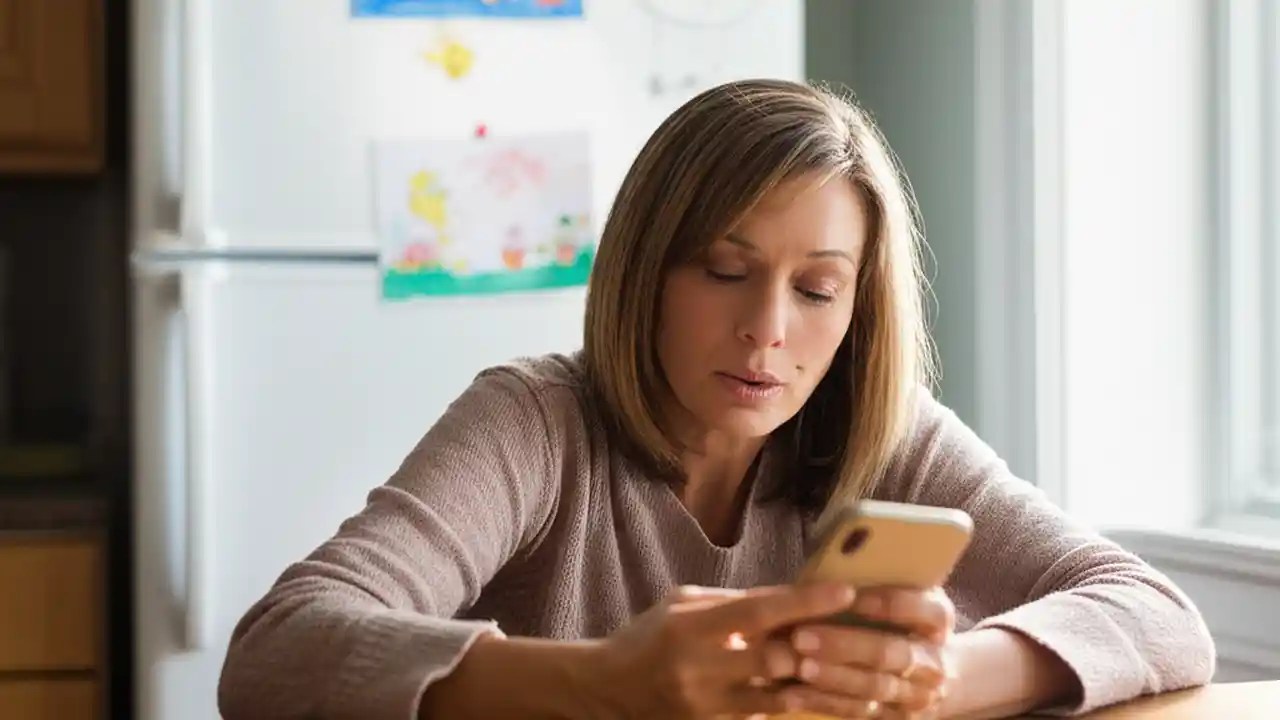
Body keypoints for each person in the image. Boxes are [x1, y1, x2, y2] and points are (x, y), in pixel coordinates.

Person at [217, 79, 1215, 720]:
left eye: (817, 290)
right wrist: (608, 684)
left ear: (856, 309)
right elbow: (277, 653)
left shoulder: (885, 431)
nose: (766, 331)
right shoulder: (534, 423)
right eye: (723, 271)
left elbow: (1157, 617)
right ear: (647, 271)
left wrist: (936, 680)